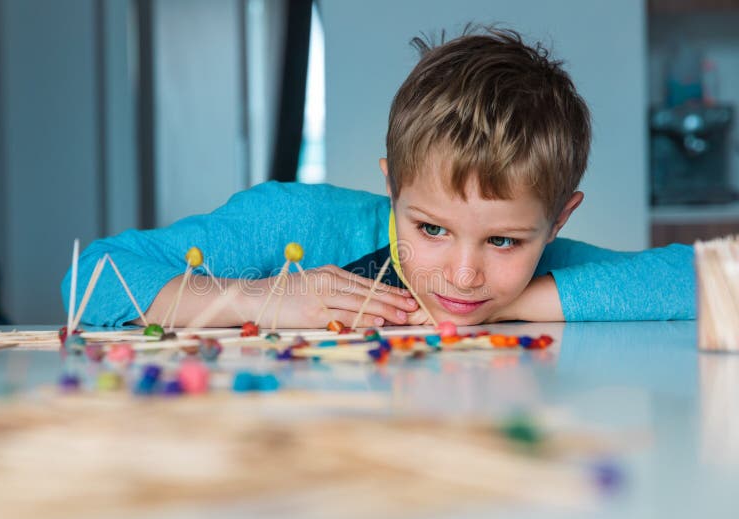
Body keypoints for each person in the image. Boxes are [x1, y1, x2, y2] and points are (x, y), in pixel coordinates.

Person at [61, 27, 695, 328]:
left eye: (503, 242)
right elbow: (88, 278)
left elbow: (710, 283)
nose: (464, 274)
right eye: (430, 228)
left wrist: (512, 304)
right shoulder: (296, 222)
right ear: (393, 187)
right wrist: (261, 298)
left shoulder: (529, 273)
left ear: (557, 221)